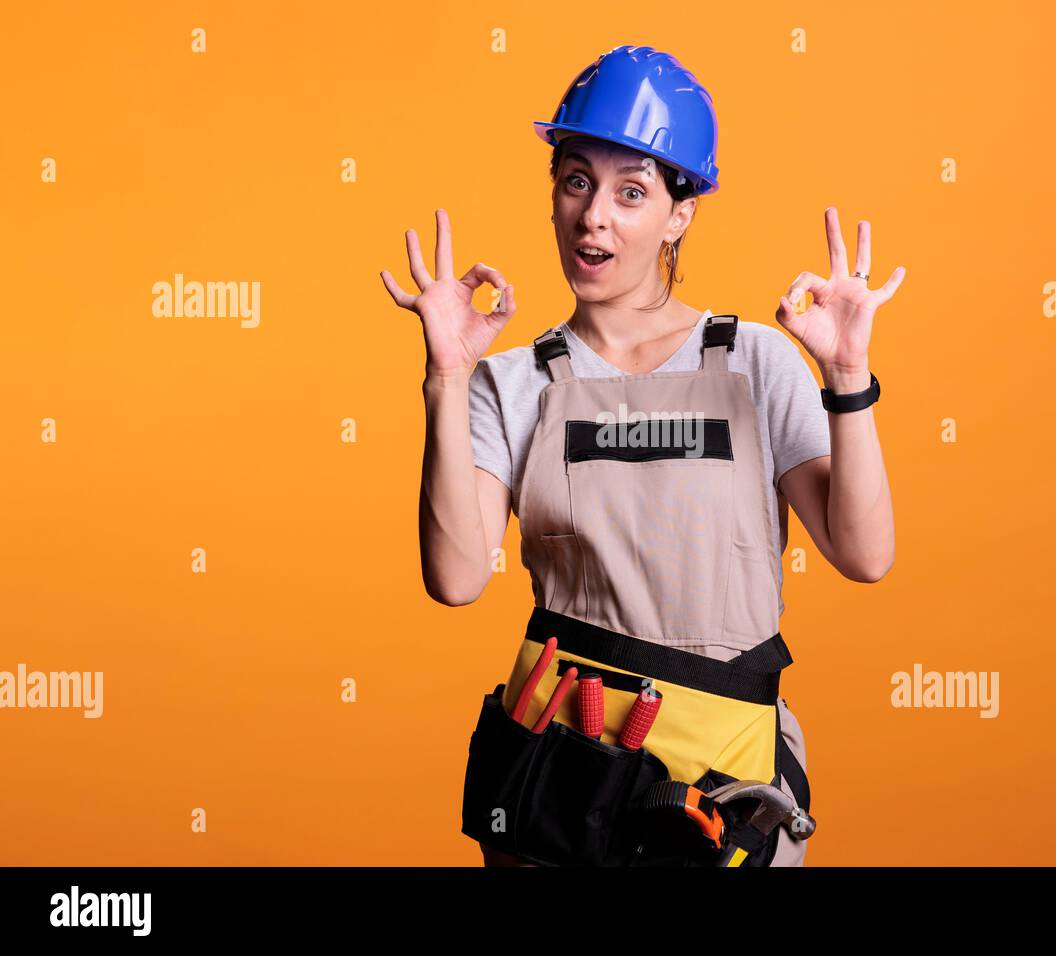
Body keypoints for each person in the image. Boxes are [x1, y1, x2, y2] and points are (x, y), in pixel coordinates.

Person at [380, 44, 904, 867]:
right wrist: (447, 379)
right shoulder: (512, 383)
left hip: (722, 780)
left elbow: (865, 554)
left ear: (680, 212)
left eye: (633, 192)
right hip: (560, 779)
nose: (596, 216)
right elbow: (455, 579)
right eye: (577, 179)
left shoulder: (756, 362)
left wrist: (846, 377)